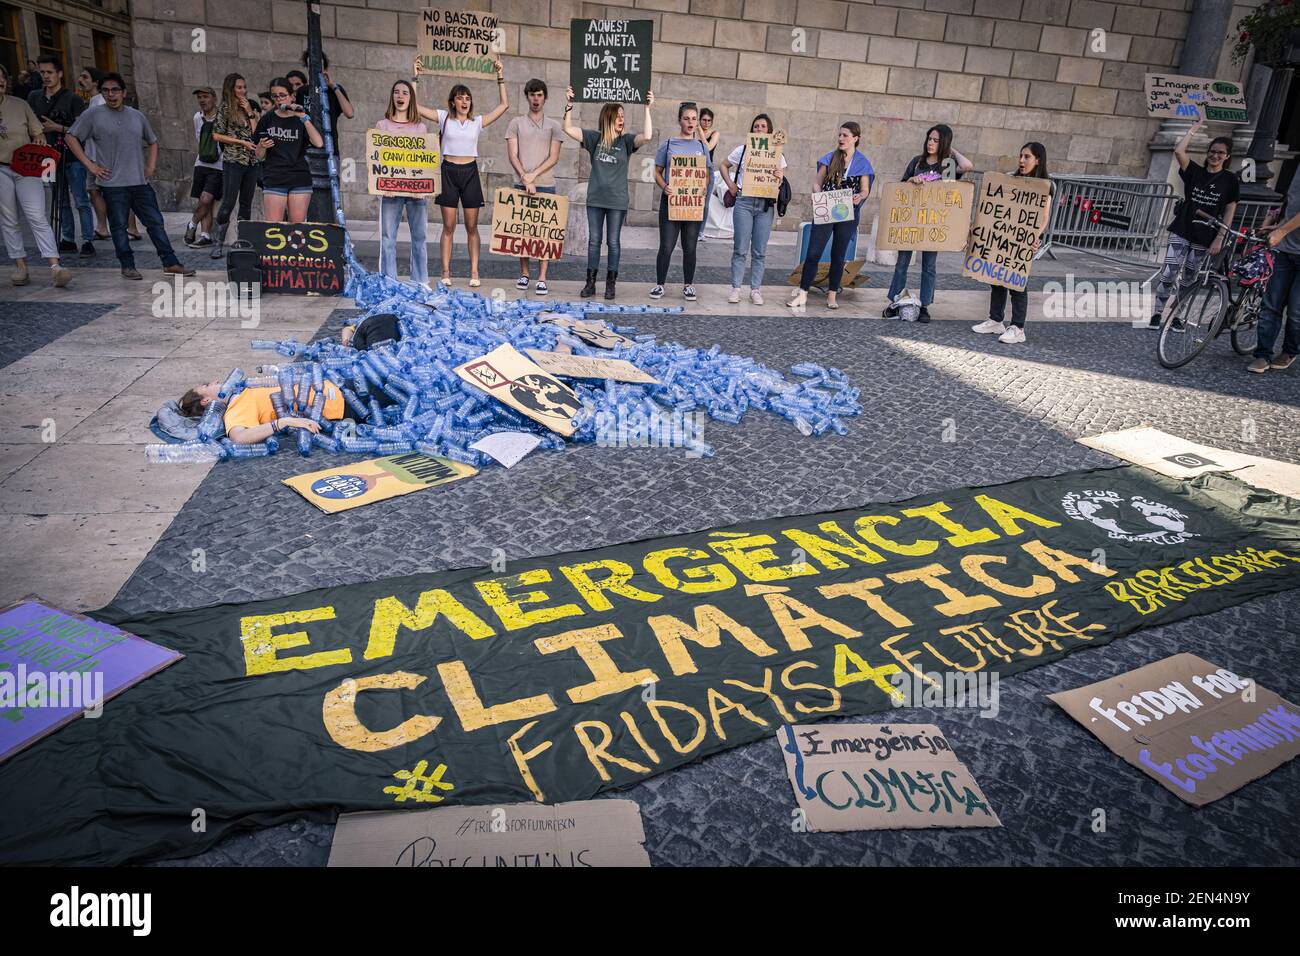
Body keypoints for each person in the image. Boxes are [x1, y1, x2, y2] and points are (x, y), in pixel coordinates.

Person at [65, 73, 195, 281]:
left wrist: (151, 166)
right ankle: (127, 265)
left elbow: (152, 141)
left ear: (124, 93)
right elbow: (70, 137)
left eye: (115, 90)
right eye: (106, 90)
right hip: (112, 183)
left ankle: (170, 263)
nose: (111, 94)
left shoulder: (136, 115)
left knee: (155, 223)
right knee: (118, 226)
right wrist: (90, 164)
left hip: (139, 182)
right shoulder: (93, 115)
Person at [409, 57, 509, 287]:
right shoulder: (444, 117)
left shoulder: (477, 121)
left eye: (467, 98)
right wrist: (415, 77)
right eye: (460, 98)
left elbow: (504, 106)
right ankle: (446, 272)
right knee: (449, 226)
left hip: (470, 172)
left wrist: (500, 77)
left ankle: (474, 272)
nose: (464, 101)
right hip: (449, 171)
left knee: (472, 226)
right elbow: (414, 106)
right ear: (453, 102)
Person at [1148, 116, 1238, 331]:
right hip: (1182, 229)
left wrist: (1220, 237)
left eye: (1220, 153)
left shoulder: (1230, 180)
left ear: (1227, 156)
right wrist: (1193, 129)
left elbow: (1230, 209)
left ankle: (1176, 316)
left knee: (1189, 277)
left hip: (1205, 235)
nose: (1215, 155)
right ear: (1208, 153)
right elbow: (1179, 152)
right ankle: (1157, 313)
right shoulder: (1195, 172)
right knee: (1169, 272)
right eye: (1213, 151)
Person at [563, 88, 654, 299]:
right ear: (608, 118)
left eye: (623, 116)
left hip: (617, 201)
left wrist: (647, 108)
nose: (621, 119)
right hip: (595, 200)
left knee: (613, 242)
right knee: (594, 241)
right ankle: (590, 283)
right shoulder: (594, 139)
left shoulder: (627, 142)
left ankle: (611, 284)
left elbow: (647, 136)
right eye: (618, 116)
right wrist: (569, 104)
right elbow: (567, 128)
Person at [883, 124, 973, 323]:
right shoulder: (917, 162)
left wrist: (951, 150)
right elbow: (901, 189)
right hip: (911, 222)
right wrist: (912, 181)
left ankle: (925, 305)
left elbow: (967, 166)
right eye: (929, 139)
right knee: (901, 264)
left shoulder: (947, 166)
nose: (931, 143)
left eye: (936, 140)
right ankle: (895, 301)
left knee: (929, 266)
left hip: (932, 224)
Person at [970, 142, 1052, 345]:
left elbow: (1043, 218)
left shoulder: (1044, 186)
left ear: (1037, 160)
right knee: (997, 278)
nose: (1022, 161)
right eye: (1021, 156)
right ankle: (996, 320)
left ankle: (1018, 327)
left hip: (1022, 241)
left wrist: (1034, 237)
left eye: (1027, 157)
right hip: (1004, 238)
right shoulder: (1011, 180)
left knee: (1017, 282)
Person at [789, 121, 874, 311]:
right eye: (840, 135)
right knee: (813, 253)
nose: (841, 138)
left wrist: (859, 196)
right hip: (827, 208)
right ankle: (802, 293)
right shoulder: (829, 158)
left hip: (847, 213)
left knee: (838, 254)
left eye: (845, 135)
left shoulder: (862, 163)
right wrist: (817, 194)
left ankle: (832, 295)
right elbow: (817, 183)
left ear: (855, 138)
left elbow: (865, 190)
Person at [0, 64, 71, 287]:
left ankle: (55, 266)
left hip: (25, 168)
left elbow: (37, 131)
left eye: (2, 76)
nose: (0, 81)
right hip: (0, 168)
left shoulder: (19, 104)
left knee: (37, 215)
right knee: (9, 219)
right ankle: (21, 267)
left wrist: (39, 139)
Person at [28, 56, 93, 256]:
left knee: (81, 199)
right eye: (42, 73)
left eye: (49, 72)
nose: (46, 76)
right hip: (48, 157)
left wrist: (57, 127)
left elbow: (83, 130)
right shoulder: (34, 97)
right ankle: (67, 239)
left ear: (59, 74)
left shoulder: (72, 98)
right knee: (60, 199)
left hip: (72, 156)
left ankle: (88, 240)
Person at [721, 112, 787, 305]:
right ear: (752, 129)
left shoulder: (777, 153)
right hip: (744, 201)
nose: (759, 129)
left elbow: (780, 179)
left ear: (769, 131)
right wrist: (731, 185)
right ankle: (736, 288)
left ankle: (755, 289)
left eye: (763, 127)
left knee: (760, 251)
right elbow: (723, 166)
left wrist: (778, 175)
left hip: (765, 204)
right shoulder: (742, 150)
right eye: (756, 126)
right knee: (740, 248)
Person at [506, 78, 564, 295]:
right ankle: (524, 273)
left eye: (539, 95)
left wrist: (533, 176)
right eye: (532, 95)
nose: (536, 98)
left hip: (546, 184)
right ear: (527, 97)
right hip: (521, 183)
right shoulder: (516, 123)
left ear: (545, 97)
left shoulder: (554, 126)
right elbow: (513, 154)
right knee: (523, 231)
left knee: (545, 233)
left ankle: (542, 277)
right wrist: (524, 177)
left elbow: (554, 157)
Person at [650, 102, 712, 301]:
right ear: (679, 120)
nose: (691, 122)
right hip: (671, 202)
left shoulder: (702, 147)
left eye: (694, 119)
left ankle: (688, 285)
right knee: (666, 246)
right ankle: (660, 284)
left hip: (693, 203)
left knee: (690, 246)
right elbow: (657, 171)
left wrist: (704, 186)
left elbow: (707, 173)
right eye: (687, 118)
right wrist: (664, 186)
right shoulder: (668, 144)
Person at [375, 80, 429, 287]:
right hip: (390, 190)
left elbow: (425, 159)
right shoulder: (383, 125)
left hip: (416, 191)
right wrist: (383, 185)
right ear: (392, 97)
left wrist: (423, 187)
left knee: (420, 238)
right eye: (396, 92)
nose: (400, 96)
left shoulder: (420, 127)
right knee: (388, 238)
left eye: (405, 92)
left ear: (411, 98)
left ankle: (420, 281)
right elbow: (377, 157)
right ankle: (389, 281)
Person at [179, 377, 343, 444]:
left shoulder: (241, 391)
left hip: (335, 382)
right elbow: (239, 437)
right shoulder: (235, 409)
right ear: (206, 400)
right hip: (339, 402)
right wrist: (282, 422)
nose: (216, 380)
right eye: (208, 386)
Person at [252, 77, 324, 224]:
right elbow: (258, 156)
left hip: (299, 176)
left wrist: (303, 117)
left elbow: (318, 142)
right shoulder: (267, 119)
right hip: (274, 176)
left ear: (292, 96)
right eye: (275, 96)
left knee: (296, 228)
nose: (279, 100)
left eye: (283, 95)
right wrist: (262, 146)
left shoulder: (301, 118)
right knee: (274, 227)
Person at [1247, 177, 1300, 373]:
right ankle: (1263, 355)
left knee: (1296, 313)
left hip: (1287, 242)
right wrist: (1278, 224)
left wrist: (1281, 231)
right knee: (1270, 306)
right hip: (1285, 250)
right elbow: (1292, 203)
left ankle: (1289, 351)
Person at [210, 73, 261, 258]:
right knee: (228, 203)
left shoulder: (250, 108)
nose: (243, 91)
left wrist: (250, 112)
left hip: (251, 161)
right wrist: (241, 143)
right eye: (239, 87)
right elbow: (216, 135)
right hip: (233, 160)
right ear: (231, 89)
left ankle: (242, 240)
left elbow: (257, 134)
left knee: (246, 203)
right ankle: (218, 242)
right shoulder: (225, 109)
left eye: (244, 87)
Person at [184, 86, 223, 248]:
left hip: (218, 165)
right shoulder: (197, 117)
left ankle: (192, 224)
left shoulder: (222, 118)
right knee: (204, 201)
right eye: (199, 97)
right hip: (201, 164)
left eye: (205, 97)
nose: (202, 100)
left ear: (214, 98)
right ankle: (205, 235)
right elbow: (198, 138)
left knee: (206, 198)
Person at [300, 51, 353, 157]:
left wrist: (333, 86)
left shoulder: (334, 90)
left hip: (330, 147)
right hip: (306, 147)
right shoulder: (303, 91)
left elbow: (349, 113)